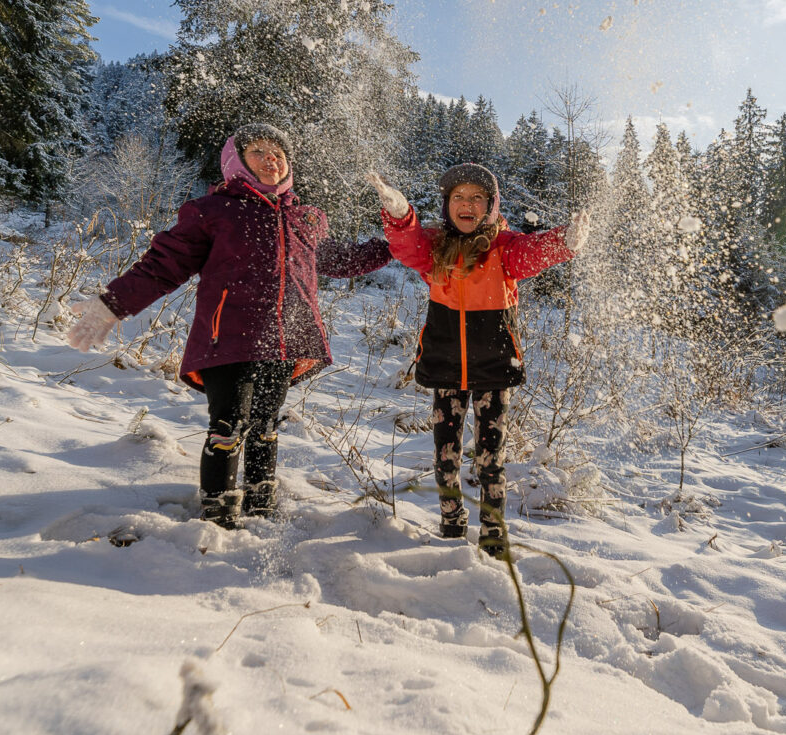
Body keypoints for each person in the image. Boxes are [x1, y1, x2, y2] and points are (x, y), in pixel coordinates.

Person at [67, 122, 391, 528]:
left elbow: (338, 260)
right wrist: (112, 304)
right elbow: (163, 265)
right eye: (259, 152)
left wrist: (394, 245)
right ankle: (218, 511)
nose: (271, 159)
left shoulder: (306, 218)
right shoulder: (214, 211)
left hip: (282, 342)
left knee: (265, 426)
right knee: (227, 425)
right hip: (227, 341)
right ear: (236, 162)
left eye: (279, 154)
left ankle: (260, 501)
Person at [366, 164, 590, 559]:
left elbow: (535, 252)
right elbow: (406, 243)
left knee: (491, 460)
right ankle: (451, 528)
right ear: (447, 204)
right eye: (458, 197)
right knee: (445, 456)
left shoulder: (504, 248)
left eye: (477, 198)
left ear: (490, 205)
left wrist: (566, 241)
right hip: (446, 367)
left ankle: (492, 534)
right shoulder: (433, 247)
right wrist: (399, 213)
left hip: (493, 370)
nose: (467, 205)